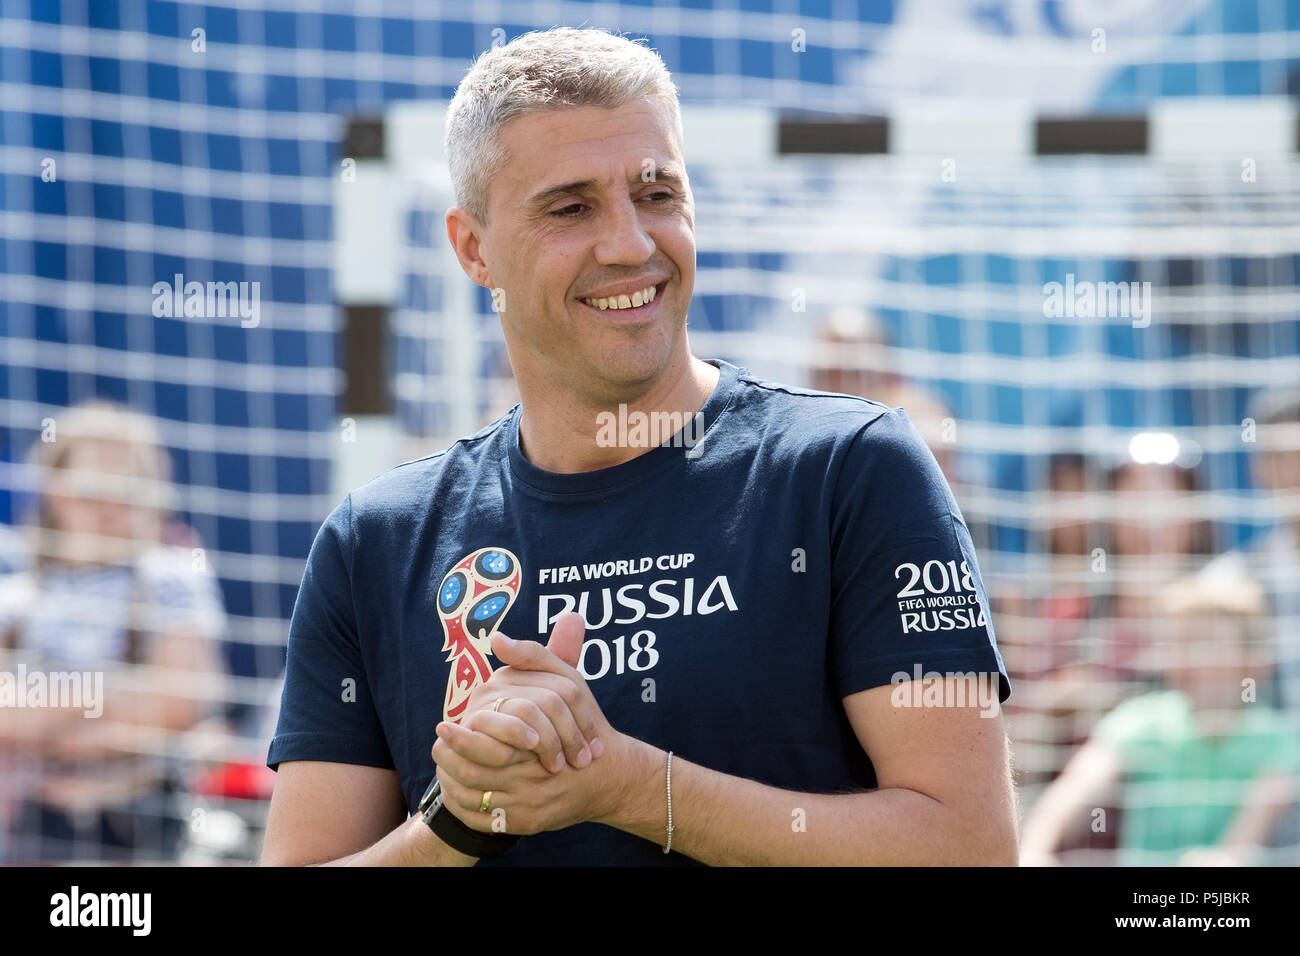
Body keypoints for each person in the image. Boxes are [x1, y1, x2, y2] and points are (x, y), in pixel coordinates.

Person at [261, 27, 1016, 867]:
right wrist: (457, 823)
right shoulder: (376, 539)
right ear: (473, 249)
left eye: (657, 193)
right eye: (570, 208)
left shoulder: (851, 469)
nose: (630, 243)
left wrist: (630, 788)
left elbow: (971, 848)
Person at [0, 400, 227, 862]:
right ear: (55, 490)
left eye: (129, 488)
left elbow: (179, 703)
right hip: (33, 828)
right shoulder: (17, 597)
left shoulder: (172, 579)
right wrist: (116, 695)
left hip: (144, 825)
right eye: (93, 489)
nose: (111, 506)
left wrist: (44, 712)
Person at [1019, 565, 1300, 866]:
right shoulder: (1141, 720)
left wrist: (1219, 860)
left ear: (1253, 659)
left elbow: (1243, 841)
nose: (1190, 658)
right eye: (1181, 642)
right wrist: (1036, 850)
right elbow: (1071, 793)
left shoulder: (1278, 740)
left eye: (1206, 643)